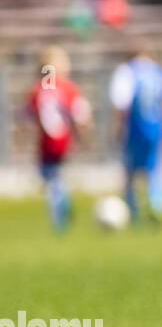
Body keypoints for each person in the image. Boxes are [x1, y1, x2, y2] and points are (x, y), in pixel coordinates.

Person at [25, 47, 92, 232]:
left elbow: (30, 114)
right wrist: (83, 136)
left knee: (52, 178)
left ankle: (60, 215)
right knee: (54, 177)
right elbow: (79, 113)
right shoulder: (67, 88)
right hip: (61, 140)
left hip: (48, 142)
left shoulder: (38, 89)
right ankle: (63, 207)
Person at [110, 43, 162, 222]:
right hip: (156, 127)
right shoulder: (158, 71)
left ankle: (132, 208)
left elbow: (121, 103)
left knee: (130, 170)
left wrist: (119, 127)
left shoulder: (127, 72)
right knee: (155, 168)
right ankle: (158, 205)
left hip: (135, 128)